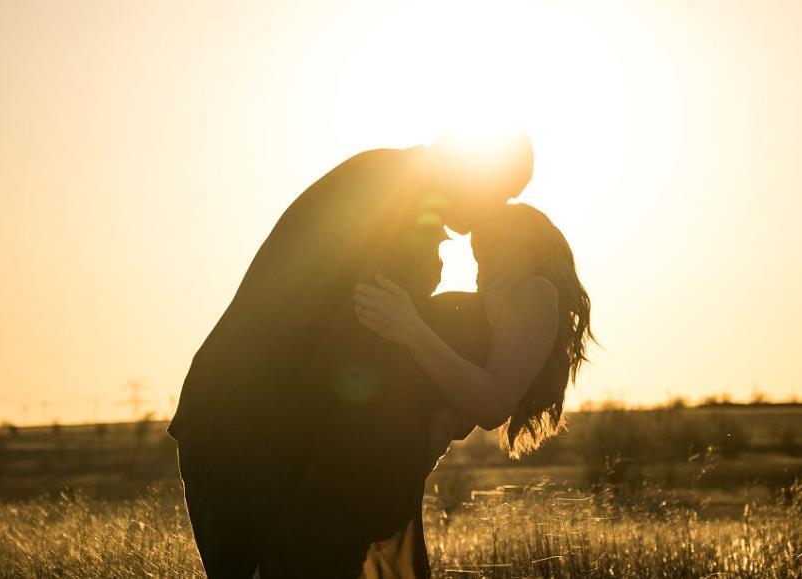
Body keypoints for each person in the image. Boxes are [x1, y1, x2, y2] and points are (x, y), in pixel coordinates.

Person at [167, 133, 534, 578]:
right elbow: (374, 342)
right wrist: (441, 414)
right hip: (248, 424)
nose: (488, 215)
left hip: (271, 426)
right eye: (497, 194)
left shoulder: (399, 192)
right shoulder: (390, 195)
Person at [349, 202, 595, 577]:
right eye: (481, 249)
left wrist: (413, 331)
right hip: (368, 456)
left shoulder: (535, 292)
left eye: (498, 243)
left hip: (375, 466)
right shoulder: (493, 302)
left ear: (532, 247)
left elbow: (491, 403)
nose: (484, 256)